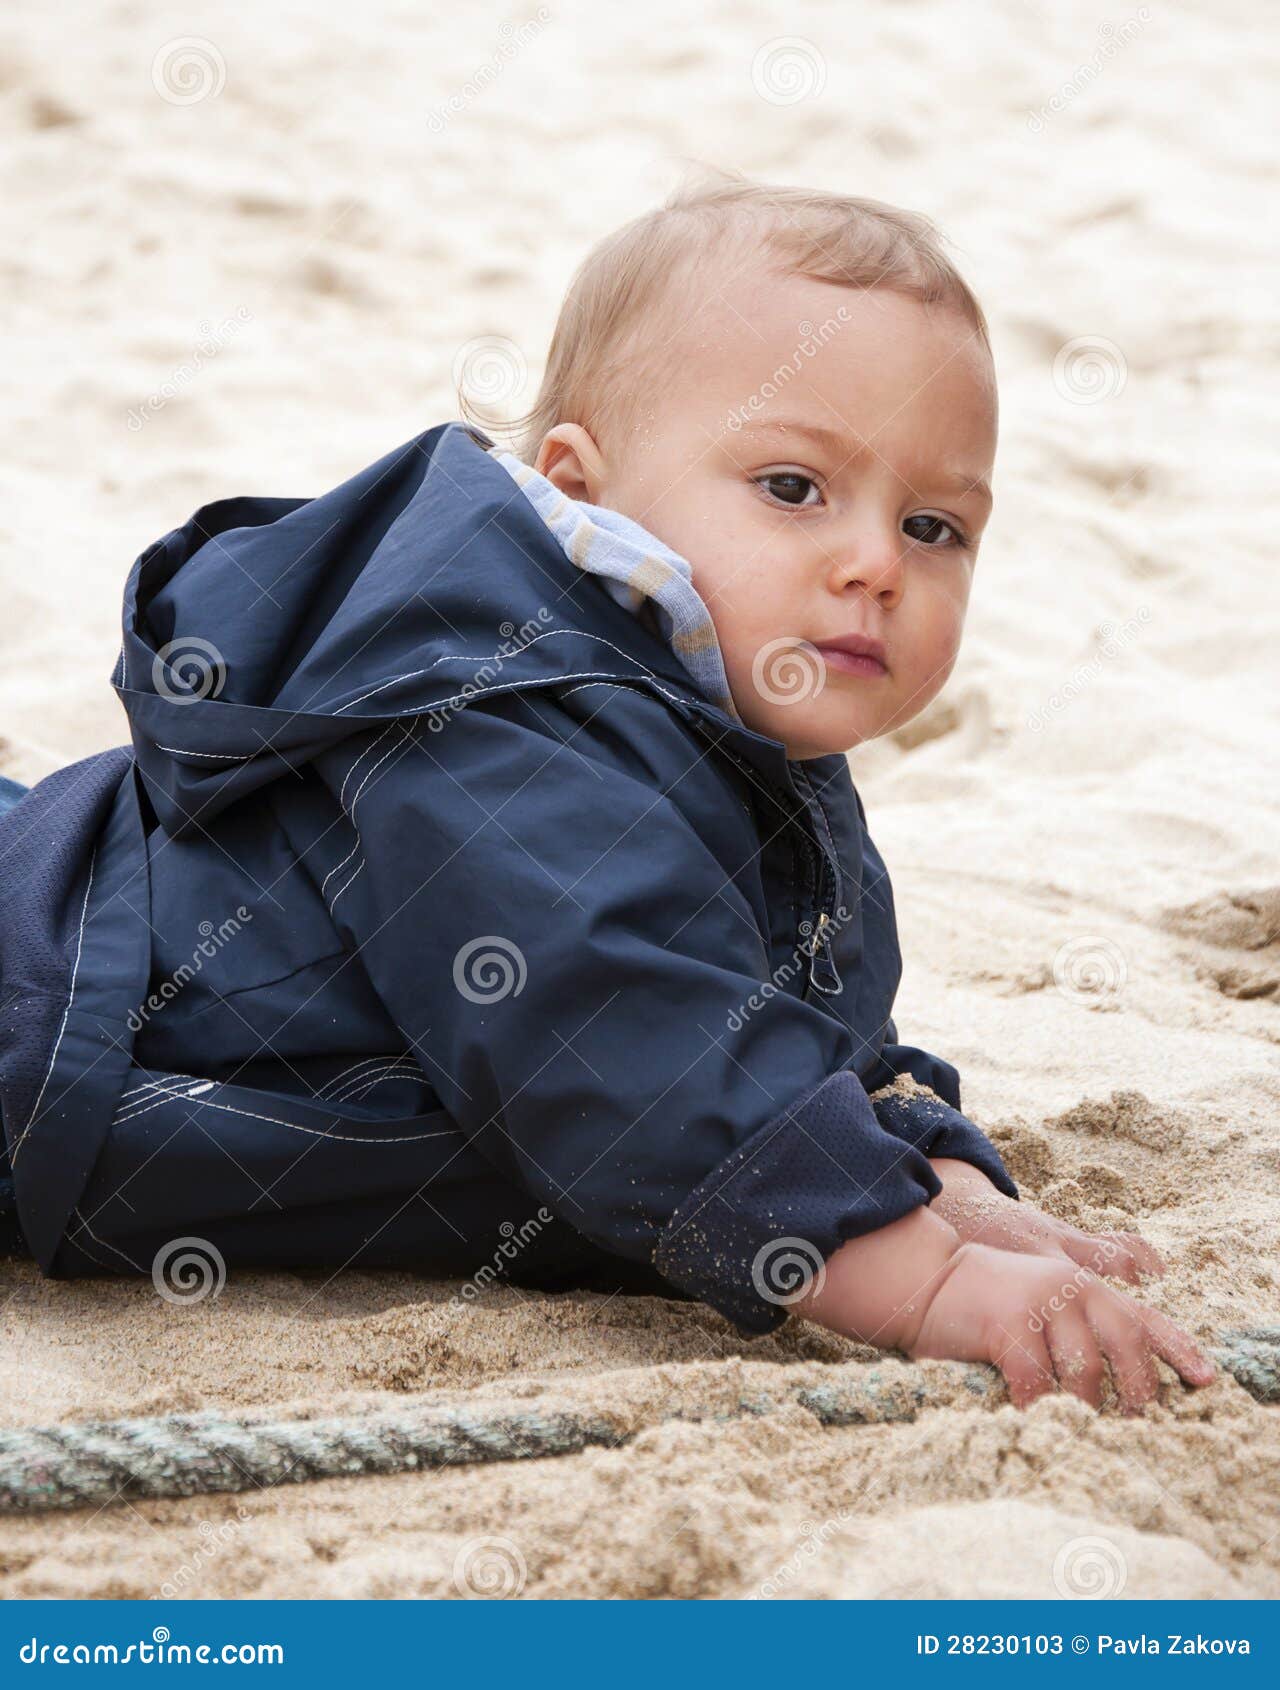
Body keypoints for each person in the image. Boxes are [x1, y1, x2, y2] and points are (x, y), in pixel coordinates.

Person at [0, 176, 1215, 1412]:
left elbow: (781, 1029)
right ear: (582, 491)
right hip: (50, 1004)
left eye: (931, 525)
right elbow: (629, 1036)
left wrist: (939, 1184)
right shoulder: (501, 715)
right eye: (793, 488)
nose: (872, 565)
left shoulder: (733, 729)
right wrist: (926, 1286)